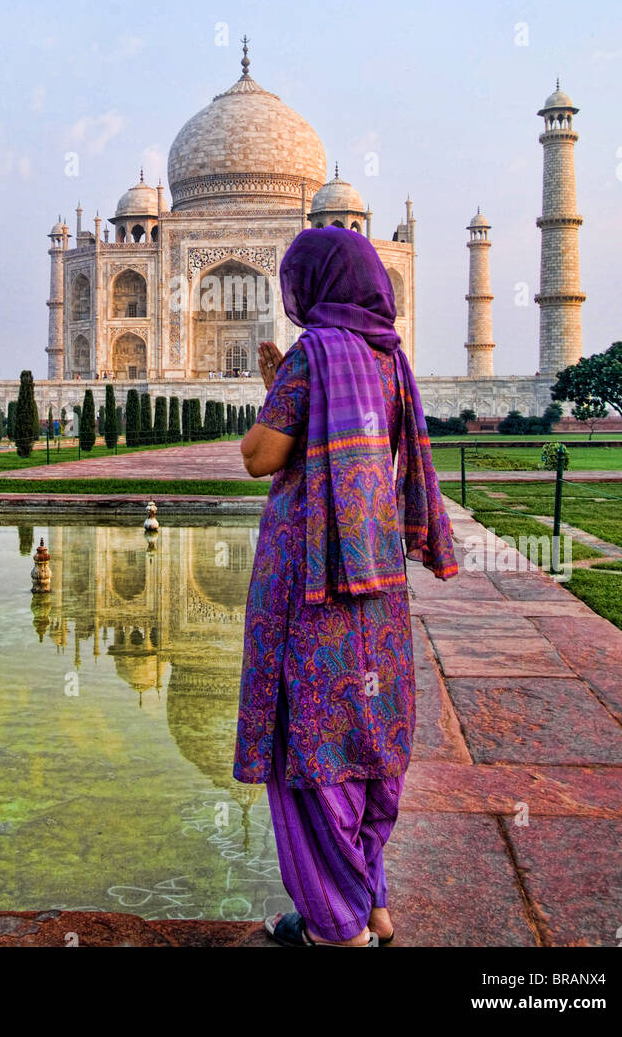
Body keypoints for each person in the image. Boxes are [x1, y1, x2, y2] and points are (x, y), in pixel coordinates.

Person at [234, 227, 458, 948]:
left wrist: (274, 394)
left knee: (308, 741)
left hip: (309, 577)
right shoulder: (390, 360)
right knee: (367, 734)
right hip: (375, 571)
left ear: (311, 287)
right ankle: (371, 904)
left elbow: (259, 457)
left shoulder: (313, 356)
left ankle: (336, 926)